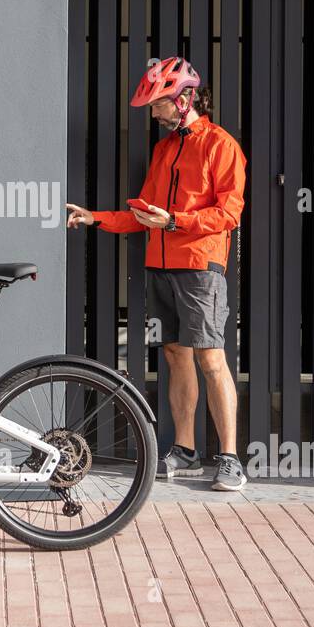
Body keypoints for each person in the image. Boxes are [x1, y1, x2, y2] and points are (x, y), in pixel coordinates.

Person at [66, 57, 248, 490]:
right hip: (160, 266)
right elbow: (143, 214)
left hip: (201, 267)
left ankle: (230, 457)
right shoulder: (164, 149)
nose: (153, 112)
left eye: (158, 104)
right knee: (174, 357)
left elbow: (230, 213)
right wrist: (95, 218)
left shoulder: (221, 145)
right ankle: (185, 452)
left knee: (210, 357)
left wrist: (174, 222)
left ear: (184, 99)